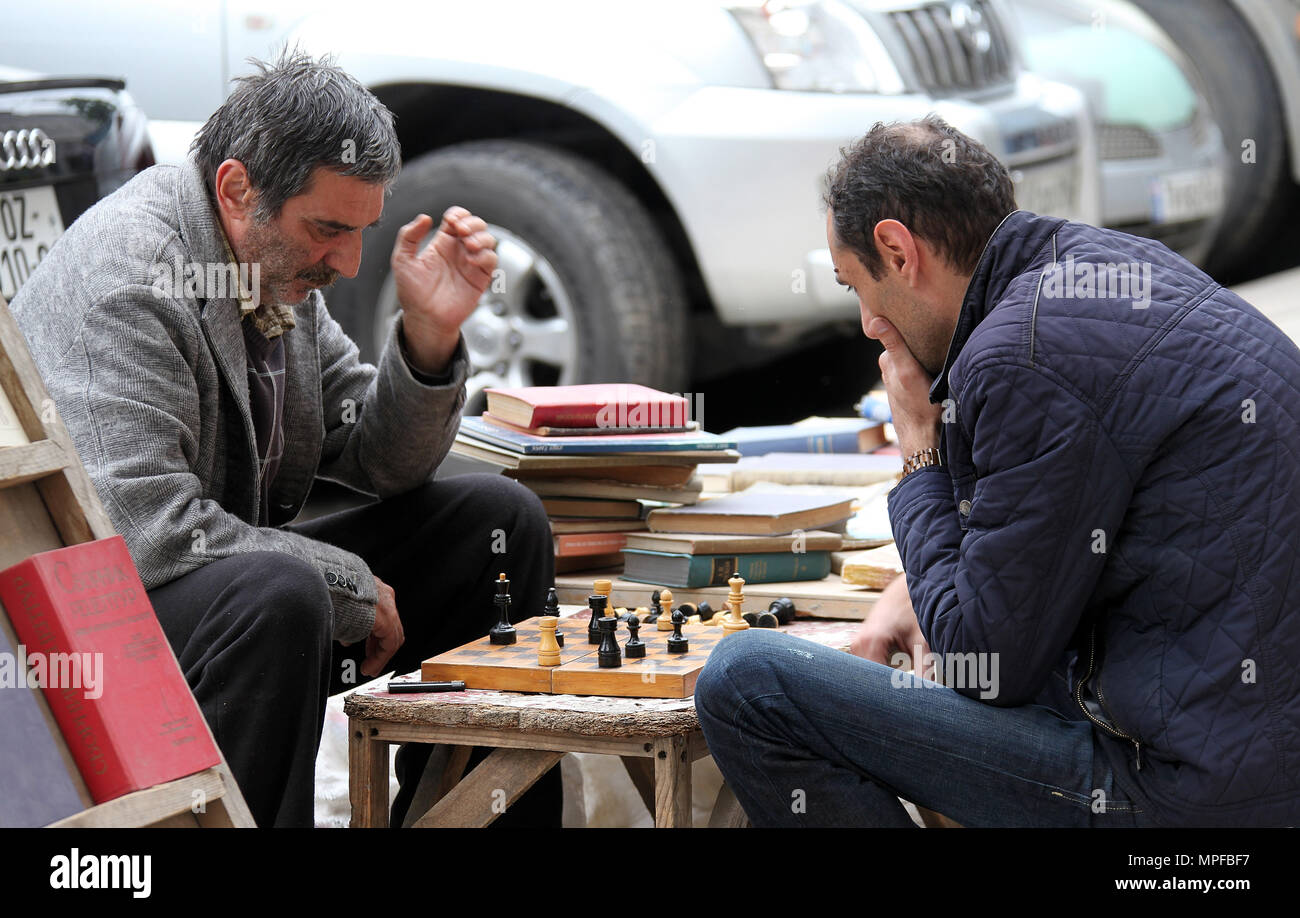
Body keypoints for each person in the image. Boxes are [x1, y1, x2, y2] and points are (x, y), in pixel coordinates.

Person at [695, 115, 1300, 827]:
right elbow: (1041, 539)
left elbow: (983, 662)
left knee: (749, 683)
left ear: (897, 249)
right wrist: (915, 587)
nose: (867, 323)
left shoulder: (1021, 353)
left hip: (1188, 799)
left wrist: (918, 449)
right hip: (1249, 753)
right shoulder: (1116, 269)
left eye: (856, 286)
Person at [10, 49, 559, 828]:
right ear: (238, 189)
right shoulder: (135, 274)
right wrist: (349, 586)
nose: (349, 262)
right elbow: (143, 538)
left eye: (362, 231)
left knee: (500, 525)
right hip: (87, 627)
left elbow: (374, 457)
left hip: (225, 595)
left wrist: (429, 339)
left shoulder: (269, 260)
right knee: (282, 592)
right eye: (329, 230)